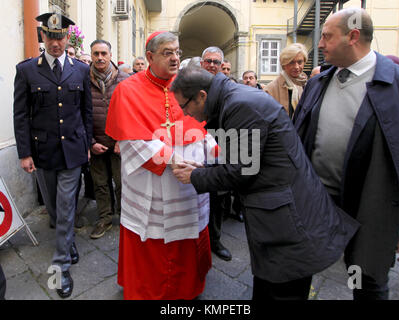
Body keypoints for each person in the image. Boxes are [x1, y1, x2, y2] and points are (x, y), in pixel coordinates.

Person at [171, 66, 360, 300]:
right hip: (281, 213)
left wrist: (195, 176)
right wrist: (205, 170)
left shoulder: (240, 105)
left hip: (288, 221)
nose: (185, 113)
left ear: (202, 96)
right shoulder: (235, 99)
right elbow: (243, 160)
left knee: (281, 289)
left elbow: (241, 170)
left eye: (184, 105)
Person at [293, 8, 399, 300]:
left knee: (366, 281)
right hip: (317, 204)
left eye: (327, 36)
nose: (319, 44)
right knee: (297, 271)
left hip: (370, 211)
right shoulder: (318, 83)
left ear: (353, 36)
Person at [105, 31, 218, 300]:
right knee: (151, 242)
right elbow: (132, 143)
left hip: (186, 183)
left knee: (186, 238)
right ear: (150, 57)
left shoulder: (186, 86)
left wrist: (213, 150)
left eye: (177, 52)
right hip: (153, 184)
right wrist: (173, 159)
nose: (175, 58)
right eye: (168, 52)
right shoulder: (127, 90)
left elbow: (201, 127)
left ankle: (186, 288)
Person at [13, 13, 93, 298]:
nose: (56, 43)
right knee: (55, 209)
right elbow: (21, 115)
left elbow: (86, 112)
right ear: (43, 37)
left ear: (67, 38)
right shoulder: (26, 71)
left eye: (61, 37)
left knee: (66, 204)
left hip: (72, 149)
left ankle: (59, 268)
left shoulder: (81, 70)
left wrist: (87, 142)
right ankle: (68, 241)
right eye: (51, 37)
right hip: (43, 150)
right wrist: (24, 153)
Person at [89, 40, 129, 239]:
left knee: (122, 182)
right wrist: (90, 142)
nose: (100, 58)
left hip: (119, 143)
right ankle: (104, 217)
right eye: (96, 53)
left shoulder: (124, 79)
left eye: (103, 53)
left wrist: (123, 139)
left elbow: (131, 112)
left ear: (111, 55)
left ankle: (125, 217)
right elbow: (79, 113)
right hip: (95, 141)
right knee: (100, 184)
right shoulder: (83, 79)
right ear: (91, 55)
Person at [200, 46, 233, 261]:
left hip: (219, 150)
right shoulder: (192, 84)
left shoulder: (228, 88)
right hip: (194, 147)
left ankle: (216, 239)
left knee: (218, 199)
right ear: (202, 63)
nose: (212, 65)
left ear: (221, 66)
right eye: (208, 61)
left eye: (216, 62)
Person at [264, 43, 308, 118]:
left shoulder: (304, 85)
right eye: (291, 62)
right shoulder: (270, 89)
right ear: (284, 64)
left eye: (300, 62)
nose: (296, 67)